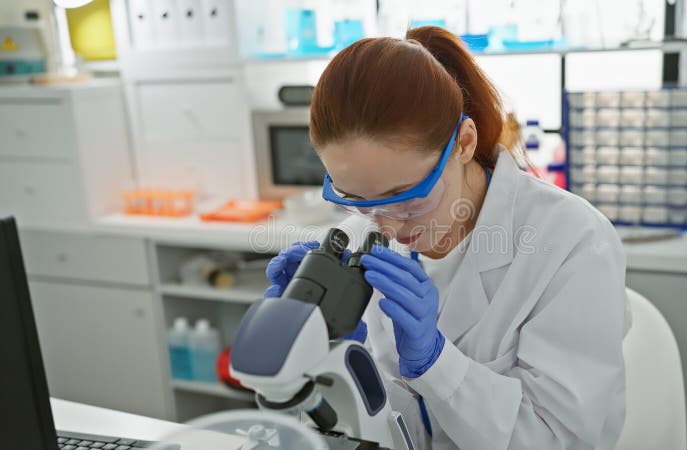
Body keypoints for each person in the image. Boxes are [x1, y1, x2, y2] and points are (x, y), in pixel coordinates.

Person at [264, 26, 631, 450]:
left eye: (406, 198)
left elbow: (561, 440)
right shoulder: (359, 238)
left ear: (464, 143)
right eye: (358, 200)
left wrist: (438, 365)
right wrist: (318, 358)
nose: (386, 227)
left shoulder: (572, 242)